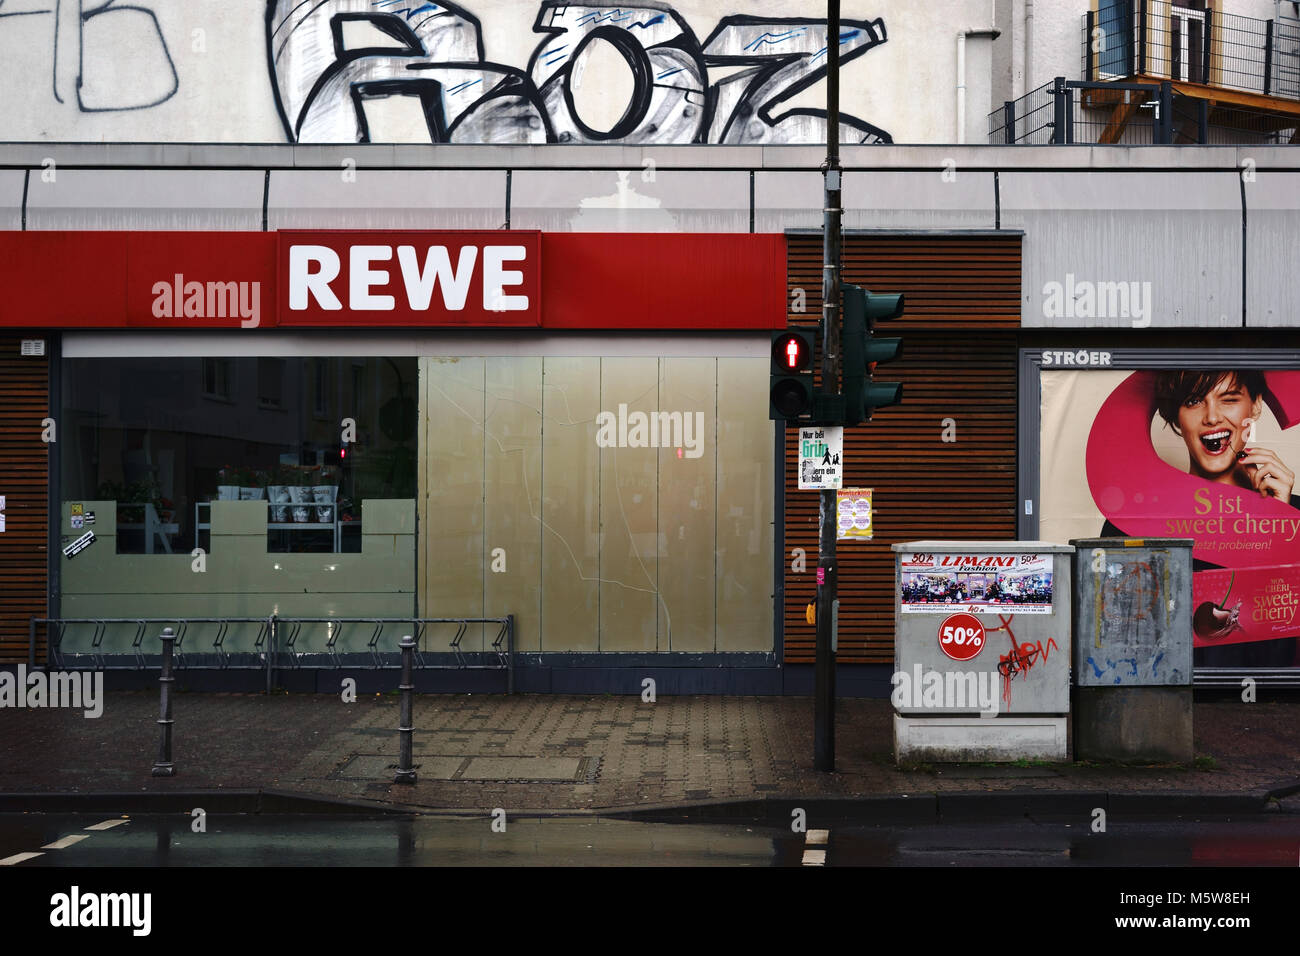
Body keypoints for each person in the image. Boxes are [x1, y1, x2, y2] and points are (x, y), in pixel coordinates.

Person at [1101, 370, 1298, 667]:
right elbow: (1120, 642)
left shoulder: (1293, 515)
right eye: (1194, 401)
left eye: (1229, 399)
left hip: (1273, 707)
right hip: (1172, 706)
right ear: (1175, 415)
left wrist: (1279, 526)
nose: (1212, 417)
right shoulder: (1131, 523)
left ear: (1255, 406)